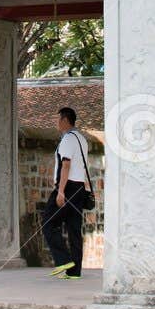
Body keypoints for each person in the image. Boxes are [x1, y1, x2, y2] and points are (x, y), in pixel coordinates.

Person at [41, 106, 91, 279]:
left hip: (67, 187)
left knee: (48, 222)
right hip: (79, 188)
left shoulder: (68, 139)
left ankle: (63, 260)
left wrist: (60, 191)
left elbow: (67, 165)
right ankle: (75, 271)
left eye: (58, 119)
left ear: (64, 120)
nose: (56, 123)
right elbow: (82, 166)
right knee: (74, 229)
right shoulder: (82, 139)